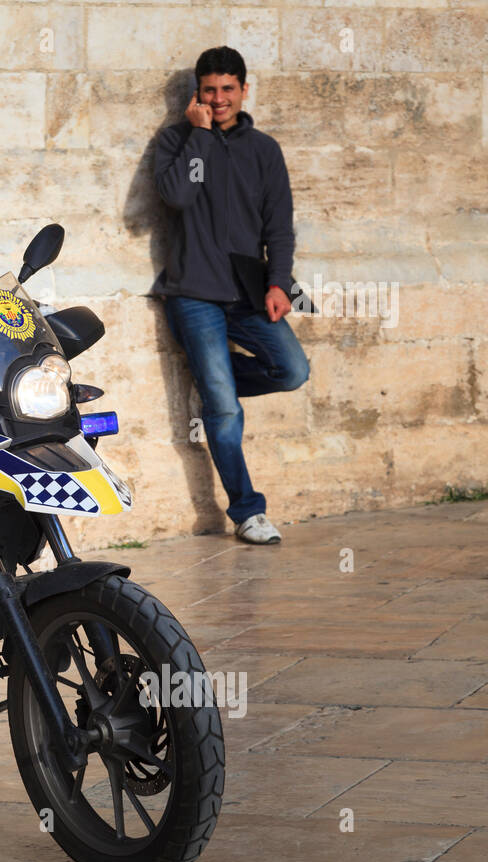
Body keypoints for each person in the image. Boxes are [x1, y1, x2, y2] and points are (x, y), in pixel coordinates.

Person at [152, 46, 310, 545]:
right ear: (197, 93)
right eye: (209, 90)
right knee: (225, 410)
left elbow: (278, 226)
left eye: (227, 89)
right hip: (193, 291)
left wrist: (280, 283)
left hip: (248, 291)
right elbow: (178, 195)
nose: (218, 99)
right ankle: (247, 511)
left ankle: (214, 383)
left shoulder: (264, 150)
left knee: (292, 370)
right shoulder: (176, 141)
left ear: (244, 89)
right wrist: (199, 135)